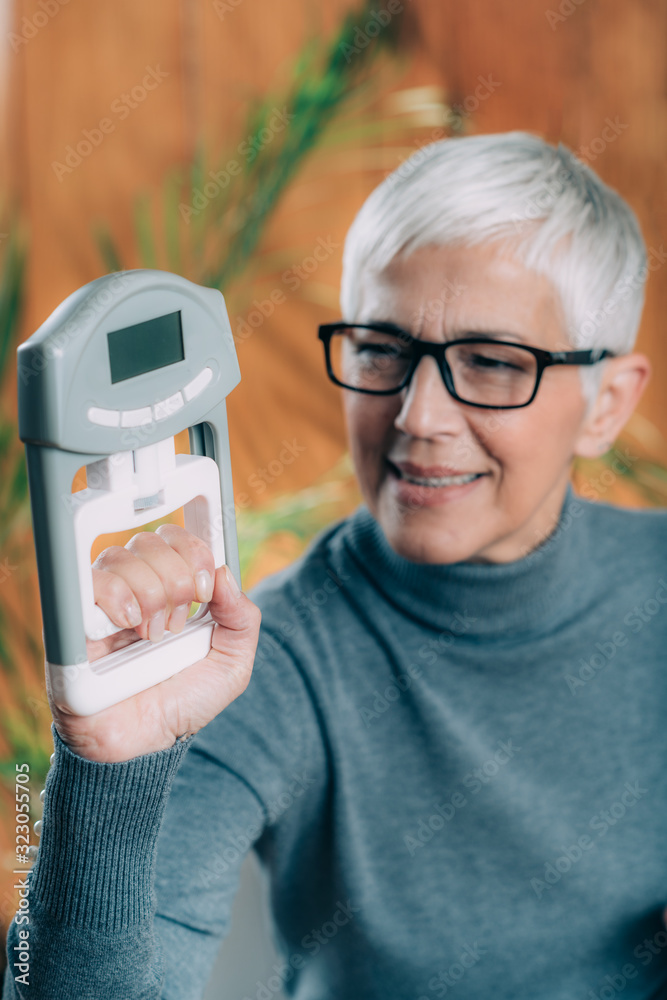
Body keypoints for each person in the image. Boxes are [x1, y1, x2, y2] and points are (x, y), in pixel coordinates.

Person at [3, 130, 667, 1000]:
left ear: (605, 403)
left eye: (493, 363)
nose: (419, 415)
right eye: (382, 350)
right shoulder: (257, 666)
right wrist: (109, 774)